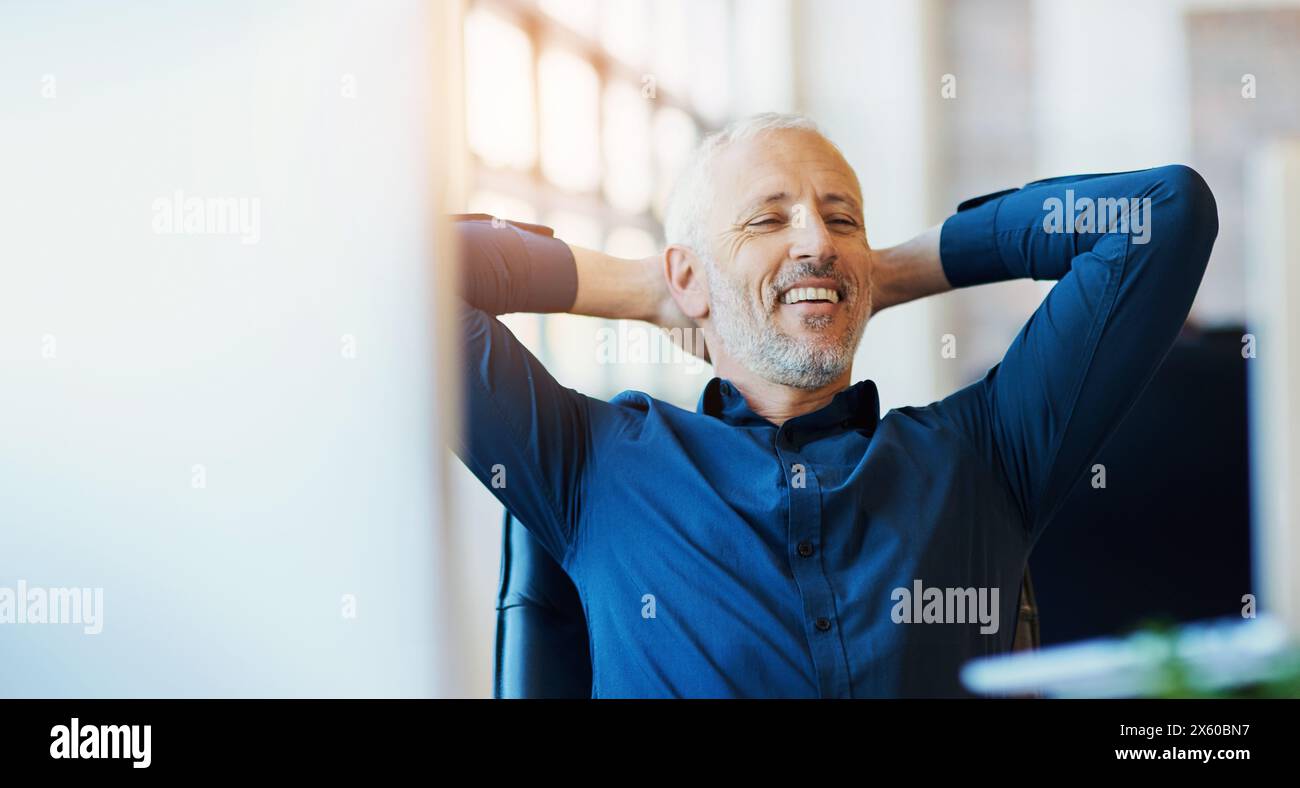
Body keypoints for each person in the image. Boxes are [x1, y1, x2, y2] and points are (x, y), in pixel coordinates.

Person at [452, 113, 1219, 697]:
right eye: (769, 218)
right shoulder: (595, 468)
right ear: (689, 277)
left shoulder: (985, 455)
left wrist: (903, 268)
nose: (817, 240)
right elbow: (400, 267)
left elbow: (1162, 215)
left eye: (842, 219)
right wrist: (642, 288)